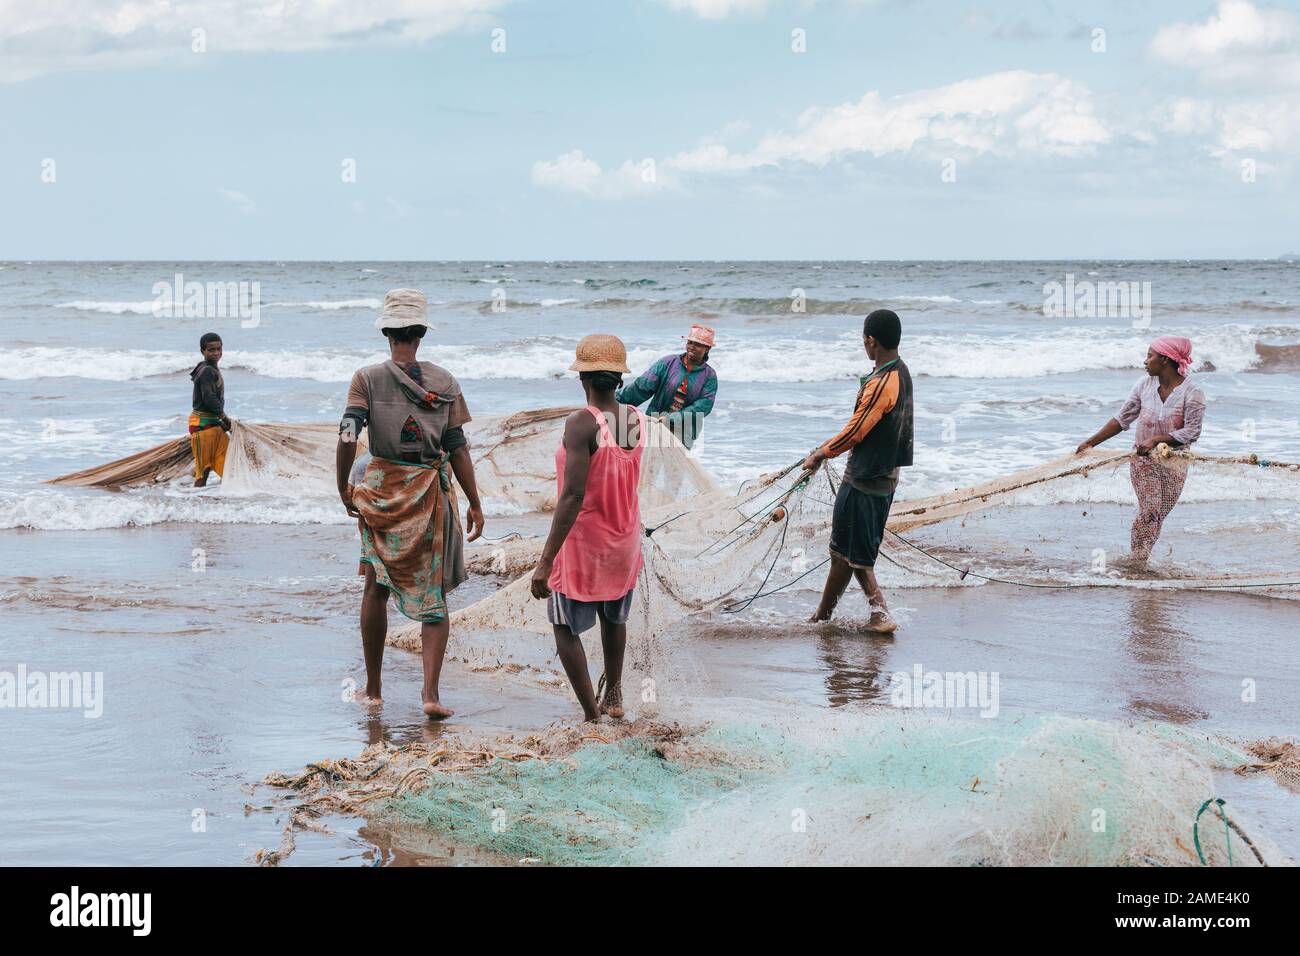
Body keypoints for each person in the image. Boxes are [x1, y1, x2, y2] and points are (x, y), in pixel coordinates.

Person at [335, 289, 485, 718]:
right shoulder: (444, 381)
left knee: (376, 585)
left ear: (387, 332)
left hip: (381, 490)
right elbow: (457, 446)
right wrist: (475, 501)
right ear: (420, 334)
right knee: (433, 592)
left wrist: (343, 484)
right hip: (430, 494)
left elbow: (347, 434)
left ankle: (375, 689)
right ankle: (430, 695)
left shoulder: (366, 379)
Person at [530, 334, 646, 723]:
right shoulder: (633, 417)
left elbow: (572, 496)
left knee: (563, 625)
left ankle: (591, 715)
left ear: (583, 378)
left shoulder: (581, 423)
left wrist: (545, 563)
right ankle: (614, 698)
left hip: (584, 546)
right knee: (614, 618)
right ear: (618, 379)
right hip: (624, 541)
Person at [801, 309, 913, 633]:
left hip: (866, 478)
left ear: (870, 340)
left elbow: (856, 433)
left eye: (864, 338)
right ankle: (822, 616)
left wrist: (821, 453)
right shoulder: (900, 372)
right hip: (881, 475)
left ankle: (881, 613)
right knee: (842, 551)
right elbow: (859, 429)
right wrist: (824, 448)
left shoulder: (882, 382)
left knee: (857, 555)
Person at [1076, 336, 1205, 565]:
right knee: (1150, 509)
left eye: (1150, 356)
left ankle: (1139, 560)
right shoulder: (1143, 386)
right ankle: (1137, 560)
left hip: (1175, 463)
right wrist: (1091, 442)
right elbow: (1122, 419)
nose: (1145, 361)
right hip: (1142, 461)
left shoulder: (1192, 392)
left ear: (1165, 360)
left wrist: (1158, 439)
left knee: (1157, 515)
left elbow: (1192, 432)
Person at [616, 323, 717, 449]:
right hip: (656, 424)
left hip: (683, 433)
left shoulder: (709, 376)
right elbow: (642, 386)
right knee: (649, 466)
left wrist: (672, 419)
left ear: (707, 348)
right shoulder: (668, 363)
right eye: (690, 342)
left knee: (675, 468)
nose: (692, 347)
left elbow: (703, 406)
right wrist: (614, 401)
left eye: (697, 344)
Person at [189, 332, 231, 487]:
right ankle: (197, 503)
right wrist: (225, 419)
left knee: (228, 467)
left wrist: (221, 421)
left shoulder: (208, 368)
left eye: (219, 349)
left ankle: (215, 501)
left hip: (213, 425)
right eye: (211, 350)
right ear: (202, 352)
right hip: (203, 426)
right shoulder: (207, 371)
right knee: (203, 471)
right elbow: (209, 398)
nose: (216, 353)